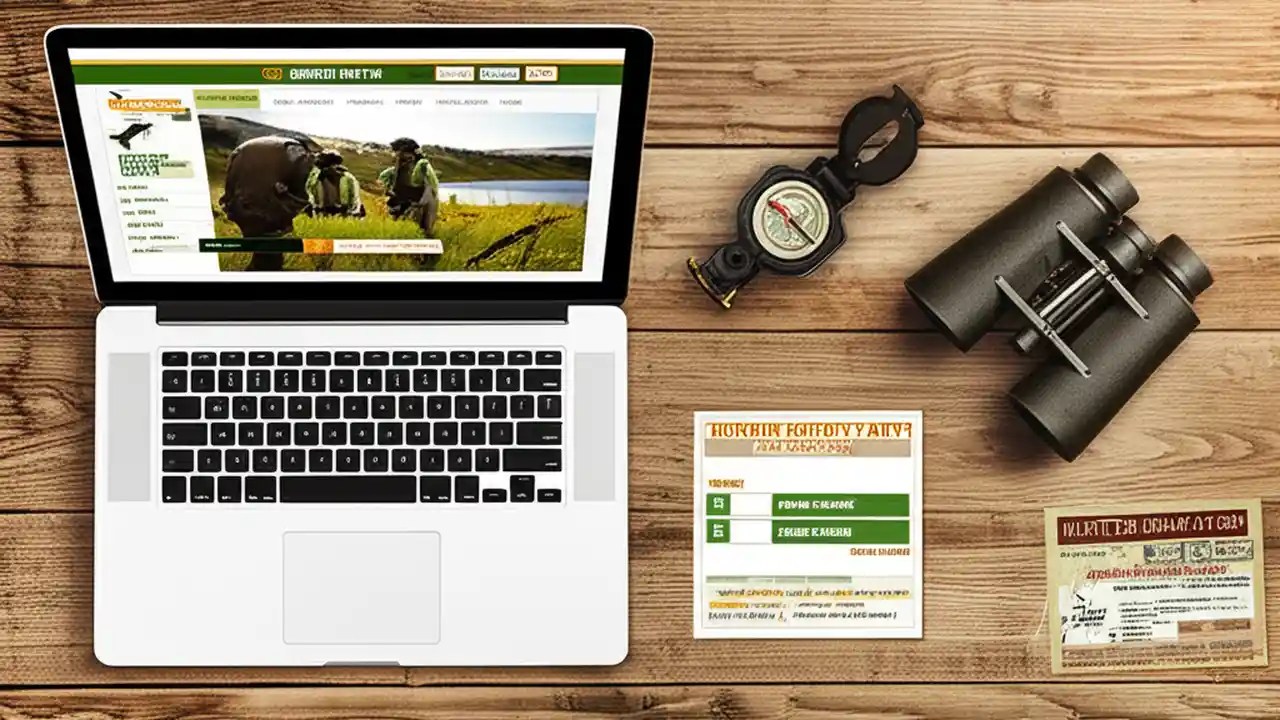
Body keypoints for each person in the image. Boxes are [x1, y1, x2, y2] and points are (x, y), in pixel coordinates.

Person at [219, 135, 314, 271]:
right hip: (269, 207)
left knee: (262, 244)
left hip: (240, 204)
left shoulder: (247, 149)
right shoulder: (297, 152)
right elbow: (301, 187)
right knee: (269, 247)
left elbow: (229, 184)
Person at [378, 137, 440, 236]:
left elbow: (429, 190)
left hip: (420, 206)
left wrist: (418, 205)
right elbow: (386, 186)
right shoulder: (394, 171)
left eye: (402, 156)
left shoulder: (422, 167)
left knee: (423, 234)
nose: (398, 158)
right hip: (402, 207)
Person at [305, 149, 364, 217]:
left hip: (343, 216)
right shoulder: (316, 177)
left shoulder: (348, 178)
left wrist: (352, 215)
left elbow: (355, 200)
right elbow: (309, 194)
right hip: (321, 215)